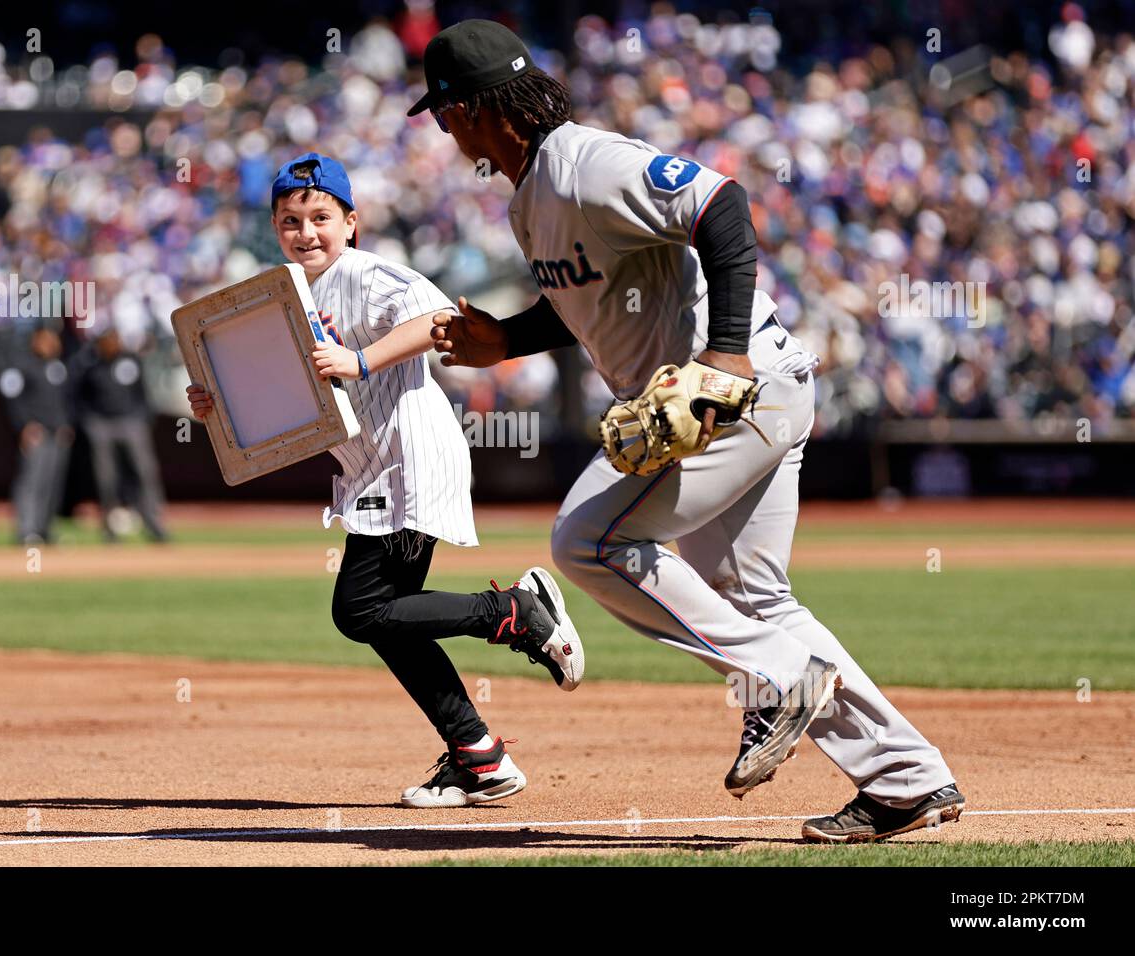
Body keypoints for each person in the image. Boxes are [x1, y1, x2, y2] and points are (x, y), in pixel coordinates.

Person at [413, 20, 964, 842]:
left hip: (738, 393)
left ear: (477, 106)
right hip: (739, 397)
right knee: (754, 597)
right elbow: (594, 303)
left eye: (444, 109)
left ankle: (777, 677)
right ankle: (906, 781)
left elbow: (721, 206)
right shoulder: (532, 192)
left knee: (584, 542)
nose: (442, 126)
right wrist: (507, 339)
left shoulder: (584, 162)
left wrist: (726, 357)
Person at [185, 152, 584, 807]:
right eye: (290, 219)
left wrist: (361, 359)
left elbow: (436, 318)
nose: (306, 231)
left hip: (410, 459)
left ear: (351, 223)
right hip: (372, 469)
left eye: (320, 217)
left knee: (360, 610)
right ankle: (479, 757)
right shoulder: (286, 294)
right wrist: (217, 406)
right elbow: (284, 392)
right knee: (388, 620)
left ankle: (514, 612)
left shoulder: (361, 274)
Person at [70, 325, 170, 543]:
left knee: (145, 473)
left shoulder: (131, 361)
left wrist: (143, 420)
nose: (112, 343)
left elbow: (143, 394)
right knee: (106, 478)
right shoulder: (90, 365)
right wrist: (91, 424)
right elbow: (79, 398)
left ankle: (155, 524)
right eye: (107, 340)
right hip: (102, 425)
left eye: (115, 339)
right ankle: (109, 527)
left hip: (131, 422)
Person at [0, 325, 74, 546]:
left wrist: (66, 425)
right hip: (37, 433)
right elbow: (13, 400)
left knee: (52, 484)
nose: (50, 344)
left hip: (57, 434)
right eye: (45, 339)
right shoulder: (24, 366)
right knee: (31, 481)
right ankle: (26, 530)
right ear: (35, 340)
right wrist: (24, 425)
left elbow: (68, 401)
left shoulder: (59, 368)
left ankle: (44, 529)